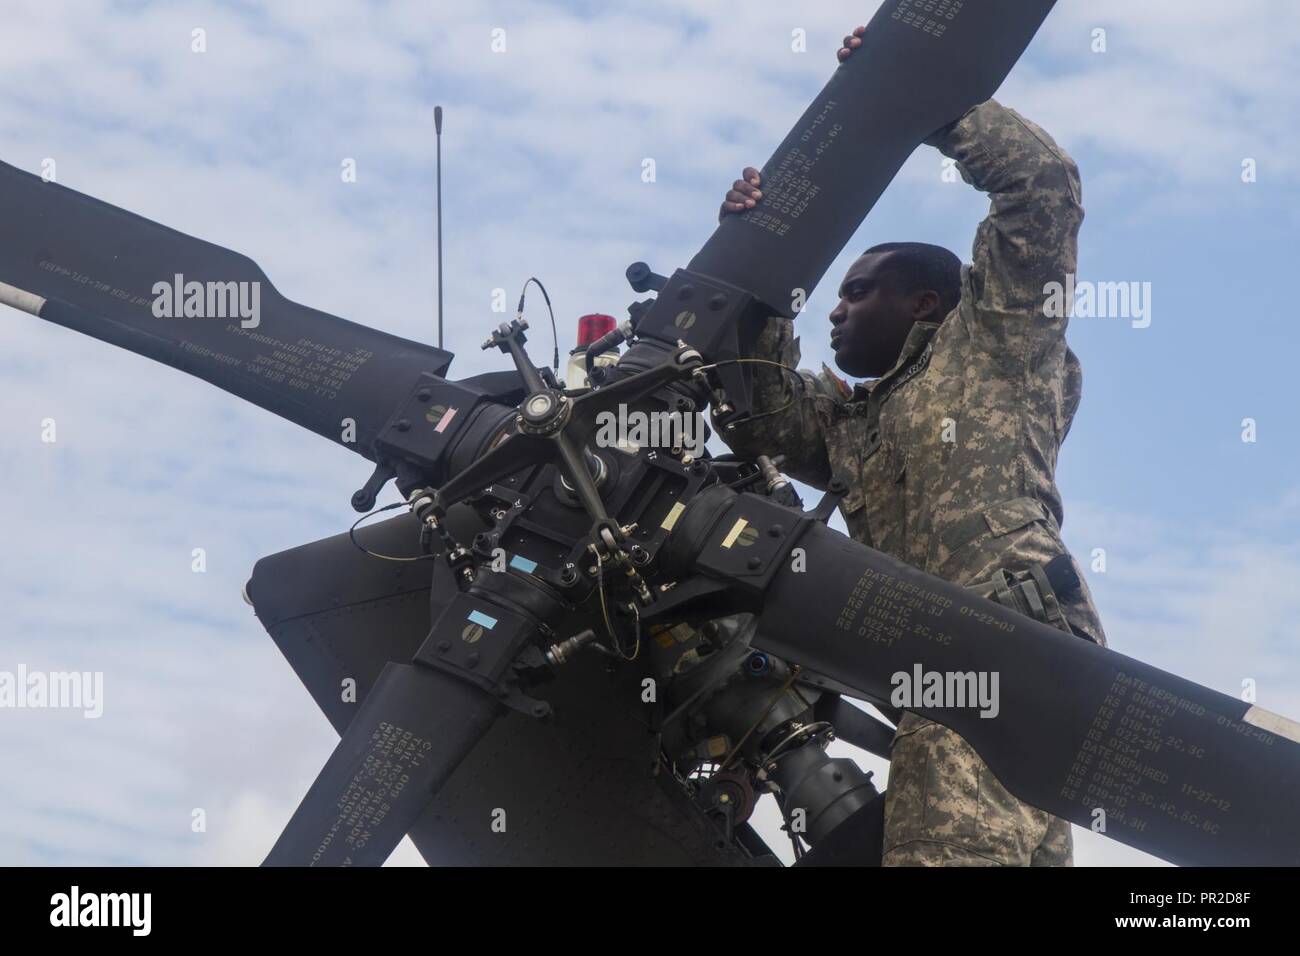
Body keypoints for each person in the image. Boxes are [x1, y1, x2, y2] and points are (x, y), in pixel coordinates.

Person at [714, 26, 1106, 866]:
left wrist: (921, 98)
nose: (836, 311)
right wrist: (757, 272)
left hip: (1007, 645)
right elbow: (760, 420)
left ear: (926, 302)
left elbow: (1044, 190)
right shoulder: (854, 423)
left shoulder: (996, 341)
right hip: (937, 670)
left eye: (857, 293)